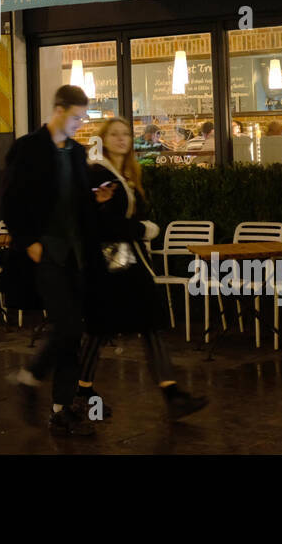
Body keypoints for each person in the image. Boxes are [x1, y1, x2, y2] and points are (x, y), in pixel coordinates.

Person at [77, 117, 209, 421]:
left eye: (126, 134)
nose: (122, 139)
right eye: (115, 134)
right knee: (106, 324)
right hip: (113, 256)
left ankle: (169, 392)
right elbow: (102, 222)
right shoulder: (100, 173)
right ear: (104, 138)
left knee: (136, 322)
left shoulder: (121, 174)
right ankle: (82, 391)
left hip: (122, 256)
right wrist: (143, 229)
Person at [1, 84, 109, 437]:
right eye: (77, 117)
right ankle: (30, 376)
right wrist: (27, 240)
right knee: (68, 326)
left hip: (76, 253)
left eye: (83, 117)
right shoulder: (28, 148)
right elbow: (10, 199)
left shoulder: (76, 153)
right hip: (46, 251)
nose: (80, 123)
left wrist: (95, 198)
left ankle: (61, 409)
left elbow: (76, 200)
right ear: (59, 109)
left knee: (70, 334)